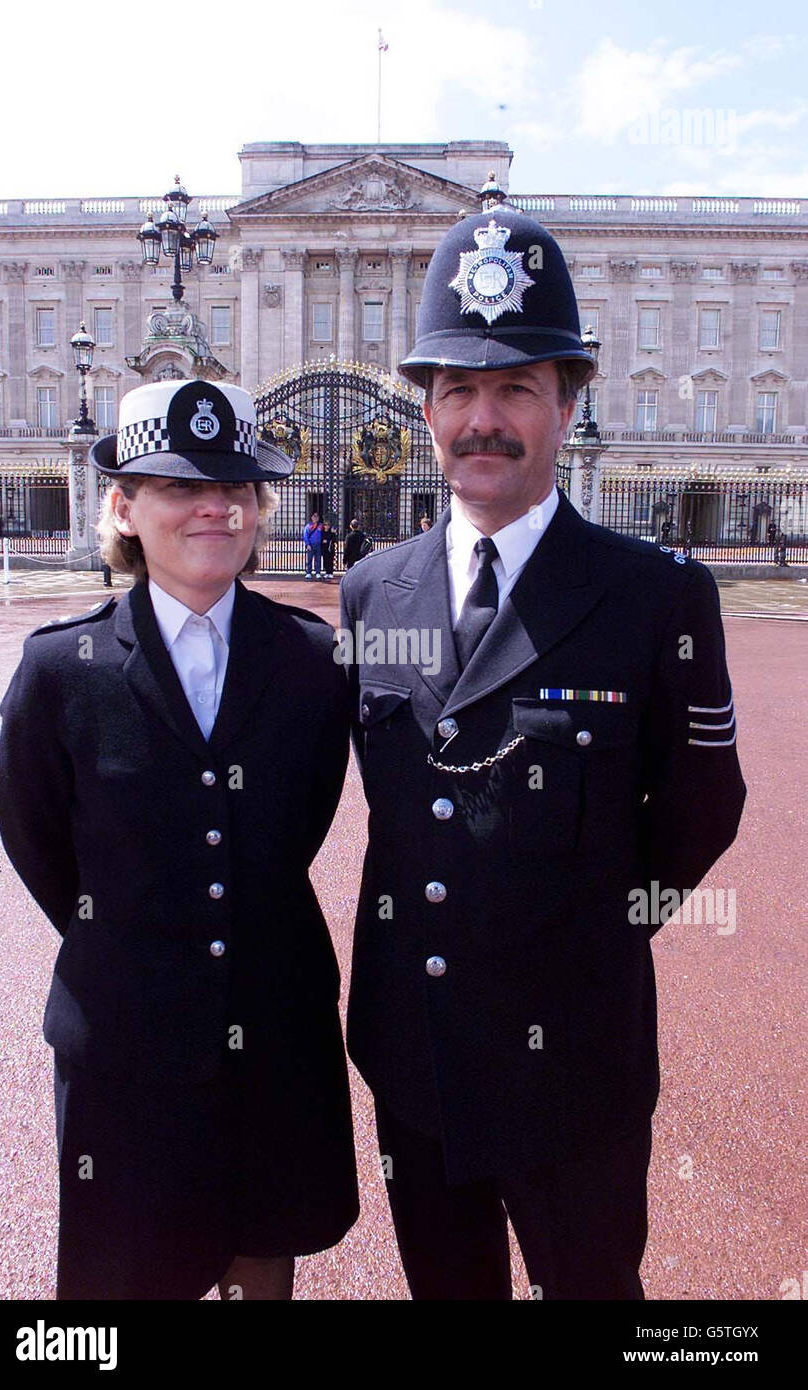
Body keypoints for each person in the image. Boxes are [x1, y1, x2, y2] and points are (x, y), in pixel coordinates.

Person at [338, 205, 746, 1301]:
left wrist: (583, 937)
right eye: (458, 390)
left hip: (573, 1053)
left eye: (516, 388)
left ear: (568, 402)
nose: (484, 419)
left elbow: (701, 812)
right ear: (427, 407)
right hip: (415, 1046)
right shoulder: (373, 592)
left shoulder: (654, 594)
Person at [0, 379, 359, 1301]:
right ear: (123, 507)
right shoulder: (60, 668)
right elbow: (35, 834)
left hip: (272, 1023)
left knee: (259, 1263)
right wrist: (128, 929)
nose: (215, 506)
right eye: (179, 486)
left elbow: (301, 823)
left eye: (236, 486)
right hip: (127, 1035)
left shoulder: (313, 662)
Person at [303, 510, 323, 579]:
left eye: (317, 516)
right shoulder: (308, 526)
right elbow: (305, 535)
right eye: (314, 516)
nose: (316, 518)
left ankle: (318, 572)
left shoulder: (321, 526)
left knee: (318, 559)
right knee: (309, 559)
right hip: (311, 544)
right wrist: (307, 544)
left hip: (318, 544)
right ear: (312, 517)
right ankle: (308, 572)